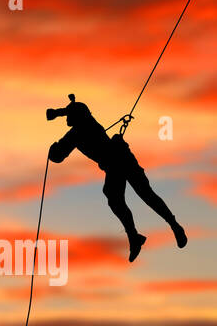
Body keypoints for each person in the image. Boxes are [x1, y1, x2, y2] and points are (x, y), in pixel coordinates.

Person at [46, 94, 186, 262]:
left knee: (143, 195)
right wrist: (59, 114)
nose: (67, 118)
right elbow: (60, 149)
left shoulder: (79, 130)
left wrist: (55, 131)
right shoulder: (82, 127)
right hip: (117, 161)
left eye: (69, 116)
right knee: (123, 197)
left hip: (118, 160)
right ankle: (141, 235)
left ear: (76, 116)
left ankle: (169, 227)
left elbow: (57, 155)